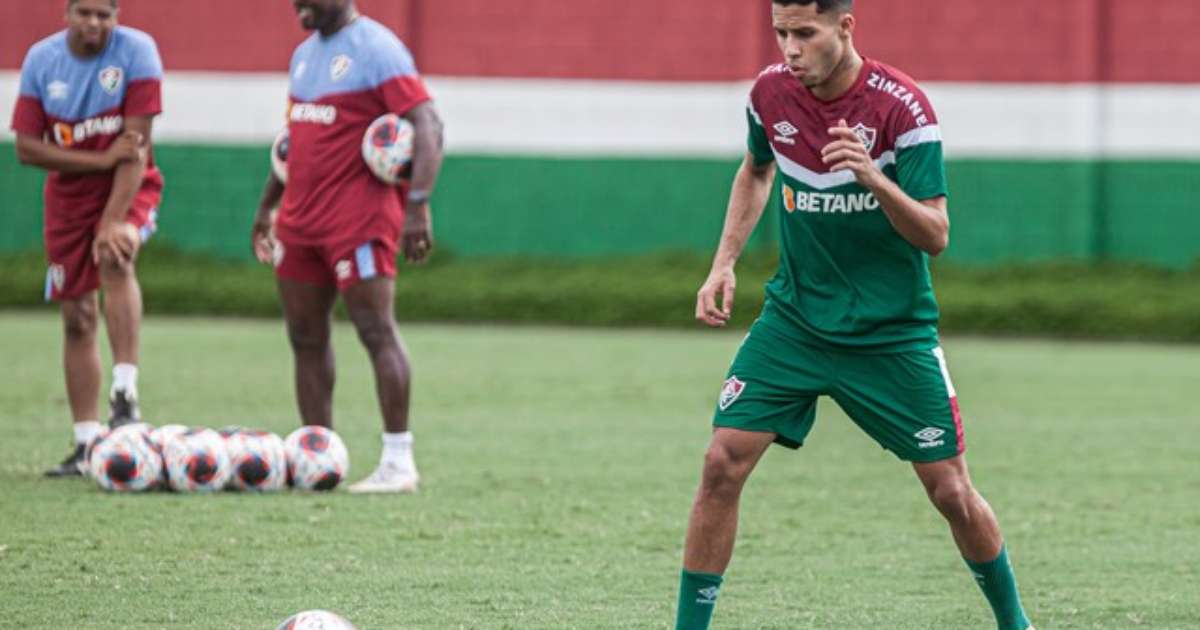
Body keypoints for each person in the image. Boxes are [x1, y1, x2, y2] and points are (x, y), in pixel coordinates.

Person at [674, 1, 1034, 628]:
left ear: (845, 27)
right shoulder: (768, 95)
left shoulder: (904, 110)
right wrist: (723, 263)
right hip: (796, 322)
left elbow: (935, 234)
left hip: (891, 332)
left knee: (950, 490)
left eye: (805, 33)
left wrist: (873, 176)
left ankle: (1015, 623)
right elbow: (756, 171)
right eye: (781, 32)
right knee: (720, 463)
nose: (790, 48)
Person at [252, 0, 444, 494]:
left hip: (358, 221)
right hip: (300, 221)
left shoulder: (377, 48)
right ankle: (319, 457)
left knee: (376, 331)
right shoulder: (303, 55)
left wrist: (417, 206)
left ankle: (398, 462)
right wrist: (266, 207)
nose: (298, 4)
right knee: (305, 337)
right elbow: (295, 142)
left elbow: (428, 124)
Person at [11, 0, 164, 477]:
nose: (95, 23)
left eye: (105, 14)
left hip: (130, 186)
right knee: (76, 316)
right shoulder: (42, 60)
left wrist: (112, 221)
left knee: (116, 257)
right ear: (67, 13)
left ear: (117, 17)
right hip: (68, 198)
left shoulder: (138, 52)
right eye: (85, 12)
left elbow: (134, 150)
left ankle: (125, 395)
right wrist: (97, 160)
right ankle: (85, 443)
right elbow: (28, 148)